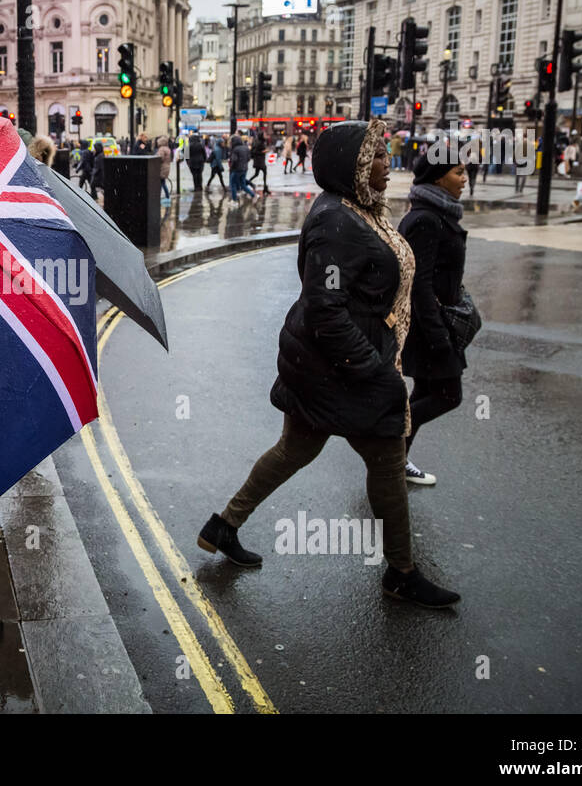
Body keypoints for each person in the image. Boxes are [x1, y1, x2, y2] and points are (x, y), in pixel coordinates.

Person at [196, 118, 460, 609]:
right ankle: (401, 573)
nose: (387, 164)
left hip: (328, 363)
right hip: (335, 368)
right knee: (385, 461)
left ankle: (222, 526)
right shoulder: (336, 222)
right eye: (376, 157)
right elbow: (325, 307)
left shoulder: (357, 210)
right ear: (350, 166)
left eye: (384, 155)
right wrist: (375, 371)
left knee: (295, 449)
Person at [399, 153, 470, 486]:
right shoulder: (426, 219)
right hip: (428, 326)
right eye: (459, 172)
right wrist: (439, 337)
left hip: (433, 322)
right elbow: (419, 283)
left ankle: (395, 456)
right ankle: (388, 445)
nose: (465, 177)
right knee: (448, 395)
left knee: (428, 391)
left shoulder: (437, 213)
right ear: (440, 178)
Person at [227, 134, 252, 203]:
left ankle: (234, 200)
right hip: (245, 168)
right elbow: (249, 158)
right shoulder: (246, 148)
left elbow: (234, 160)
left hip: (236, 169)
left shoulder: (235, 149)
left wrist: (231, 167)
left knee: (233, 184)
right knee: (243, 184)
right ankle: (253, 195)